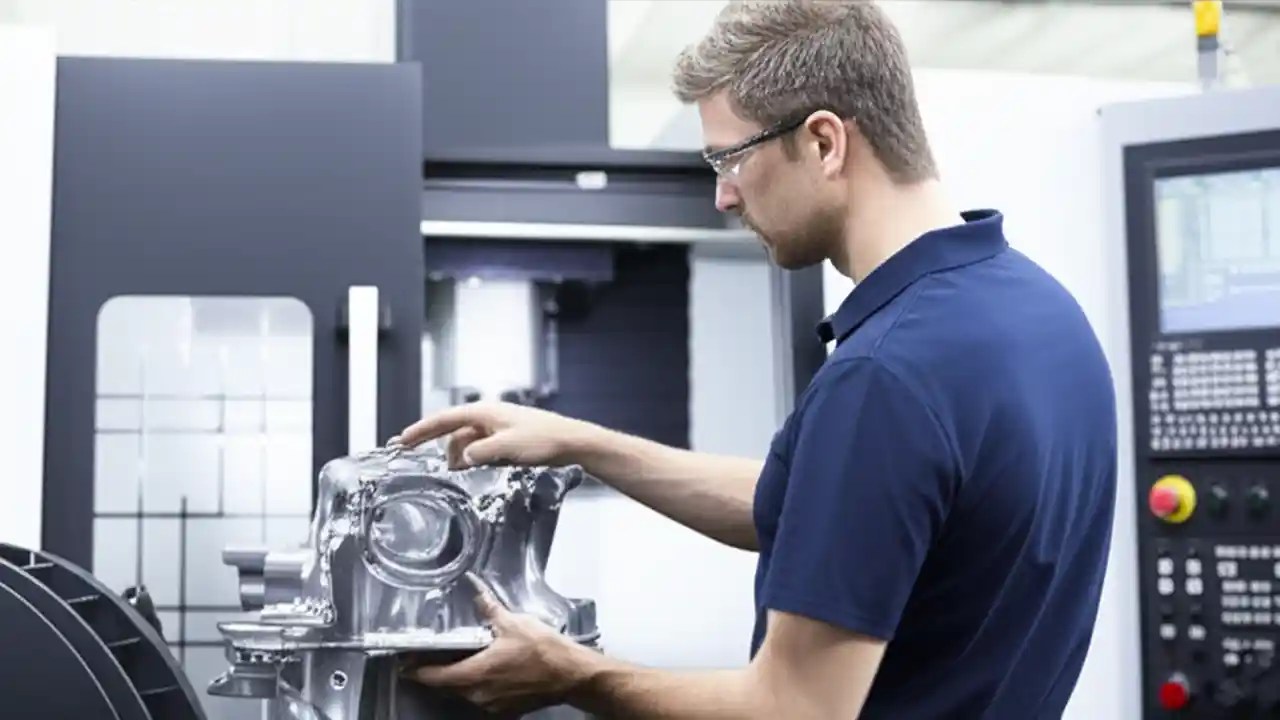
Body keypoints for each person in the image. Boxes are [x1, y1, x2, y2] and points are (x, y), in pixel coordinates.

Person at [397, 1, 1118, 718]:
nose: (723, 195)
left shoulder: (886, 375)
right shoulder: (1042, 314)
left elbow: (793, 707)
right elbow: (841, 507)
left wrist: (575, 675)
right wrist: (581, 445)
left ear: (824, 142)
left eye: (731, 157)